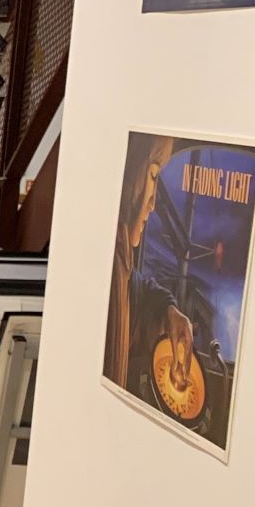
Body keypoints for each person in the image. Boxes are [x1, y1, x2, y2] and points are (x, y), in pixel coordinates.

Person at [104, 133, 195, 397]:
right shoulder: (109, 255)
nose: (154, 203)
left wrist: (170, 312)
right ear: (131, 172)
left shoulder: (120, 252)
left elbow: (137, 290)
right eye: (153, 176)